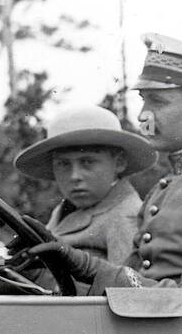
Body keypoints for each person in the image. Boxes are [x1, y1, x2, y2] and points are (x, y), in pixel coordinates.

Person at [29, 33, 182, 294]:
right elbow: (133, 281)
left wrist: (91, 268)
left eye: (157, 101)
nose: (143, 115)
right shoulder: (173, 182)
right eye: (143, 100)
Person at [13, 104, 155, 268]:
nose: (75, 176)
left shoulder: (125, 217)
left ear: (119, 163)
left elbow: (128, 286)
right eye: (63, 164)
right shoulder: (65, 210)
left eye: (87, 162)